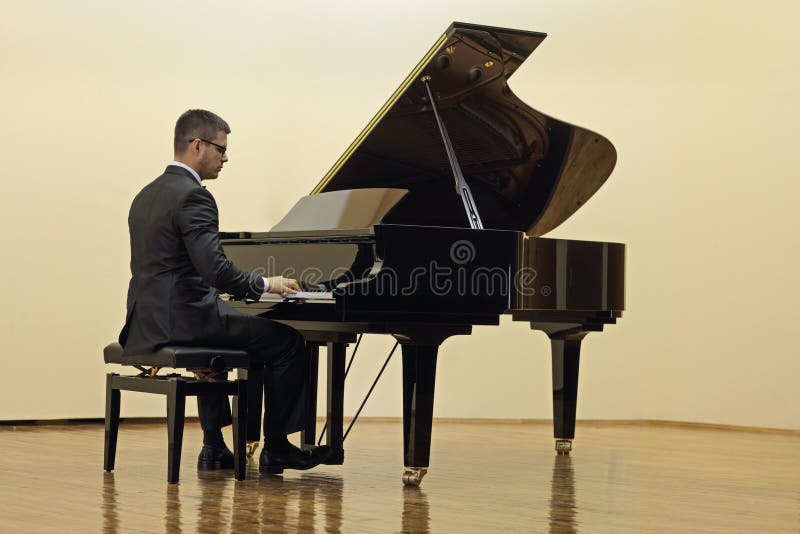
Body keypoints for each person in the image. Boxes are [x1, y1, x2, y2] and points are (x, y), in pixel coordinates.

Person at [119, 109, 326, 474]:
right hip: (185, 320)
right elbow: (216, 271)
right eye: (221, 148)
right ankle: (276, 447)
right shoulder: (194, 197)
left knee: (221, 352)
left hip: (145, 320)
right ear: (197, 145)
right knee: (288, 343)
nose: (225, 157)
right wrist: (267, 284)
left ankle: (214, 447)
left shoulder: (145, 195)